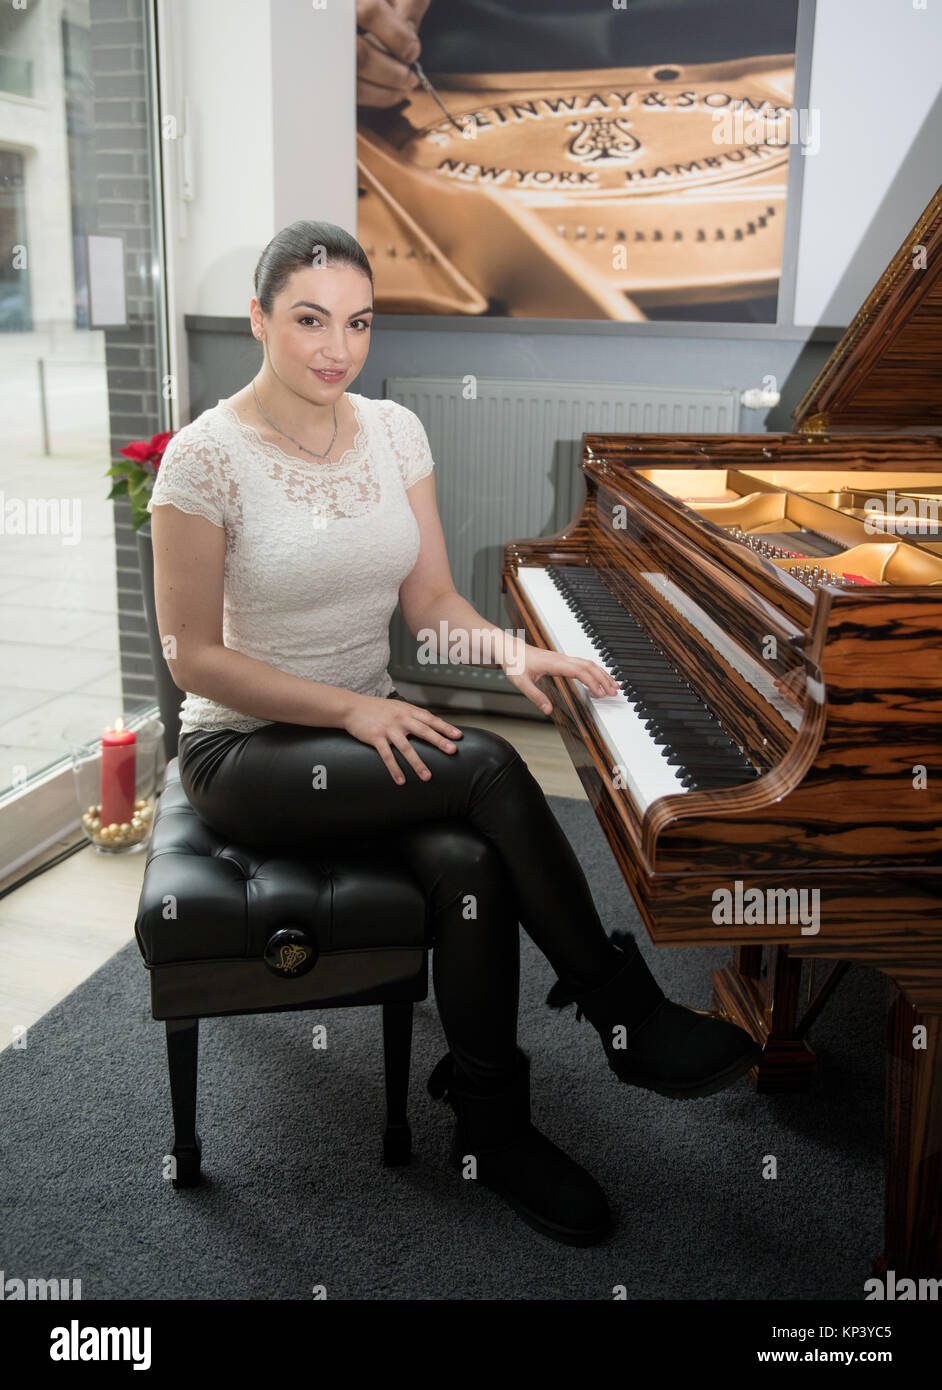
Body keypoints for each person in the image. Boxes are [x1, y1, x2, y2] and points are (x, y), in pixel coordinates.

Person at [147, 219, 761, 1248]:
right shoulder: (202, 460)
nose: (335, 346)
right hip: (245, 753)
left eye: (357, 322)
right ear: (258, 320)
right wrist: (351, 706)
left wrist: (512, 655)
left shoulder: (395, 434)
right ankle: (623, 1012)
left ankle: (494, 1121)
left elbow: (434, 605)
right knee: (484, 766)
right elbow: (193, 660)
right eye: (307, 320)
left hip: (362, 746)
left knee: (472, 867)